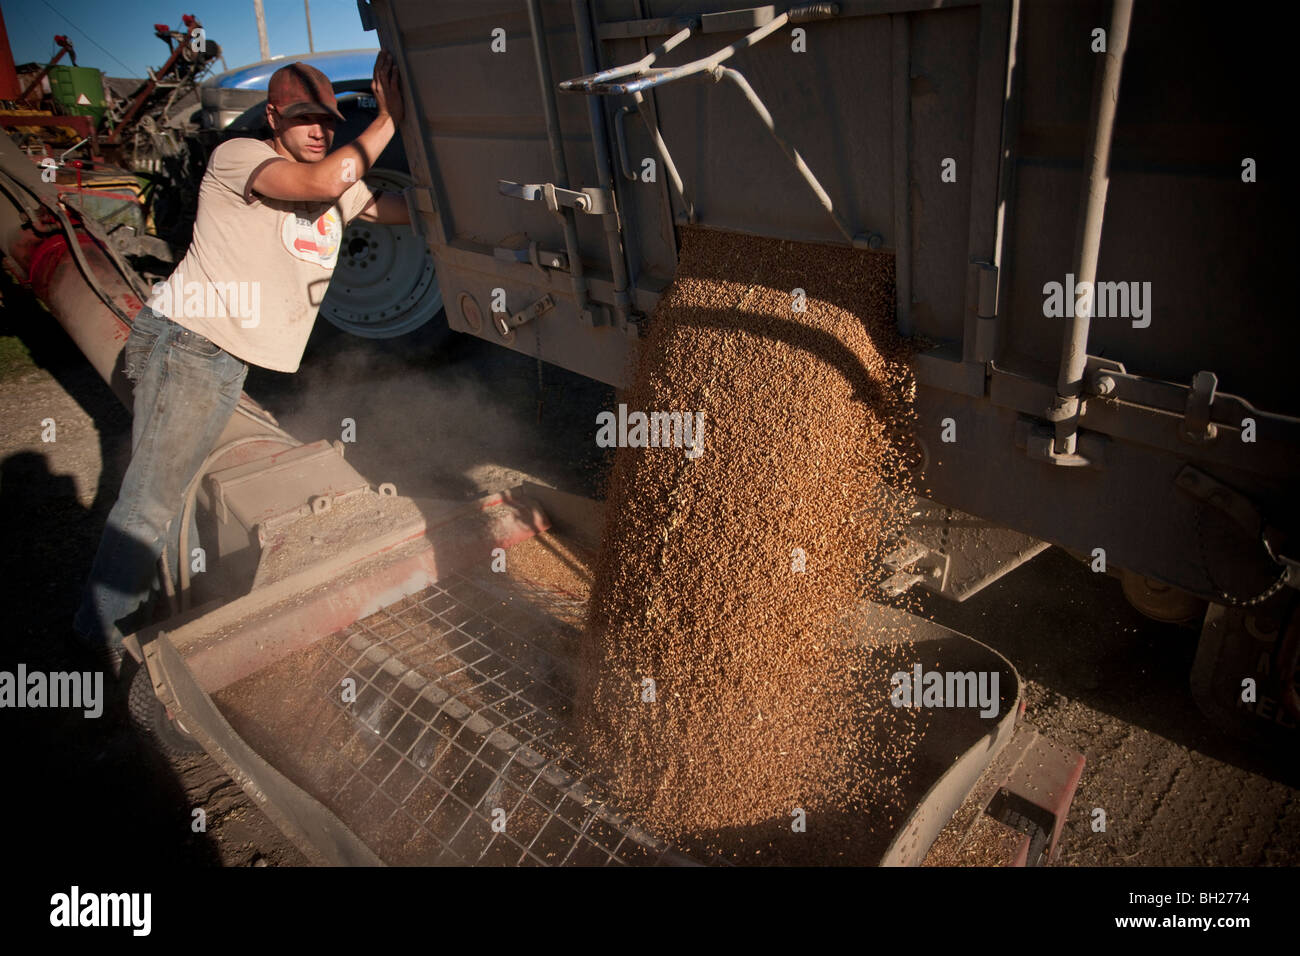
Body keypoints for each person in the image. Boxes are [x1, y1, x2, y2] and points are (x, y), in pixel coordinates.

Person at [73, 53, 411, 677]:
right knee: (152, 500)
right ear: (275, 115)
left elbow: (383, 207)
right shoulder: (241, 159)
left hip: (221, 357)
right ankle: (95, 646)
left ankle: (147, 619)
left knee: (166, 494)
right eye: (306, 118)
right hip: (190, 345)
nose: (319, 130)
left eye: (329, 121)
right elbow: (326, 183)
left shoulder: (337, 178)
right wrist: (389, 119)